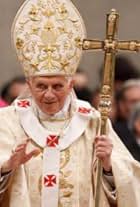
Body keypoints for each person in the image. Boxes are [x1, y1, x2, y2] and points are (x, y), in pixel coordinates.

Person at [0, 0, 140, 207]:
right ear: (29, 83)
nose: (49, 95)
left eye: (57, 86)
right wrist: (7, 168)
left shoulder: (92, 121)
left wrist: (109, 166)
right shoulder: (7, 122)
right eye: (41, 86)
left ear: (71, 84)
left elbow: (130, 185)